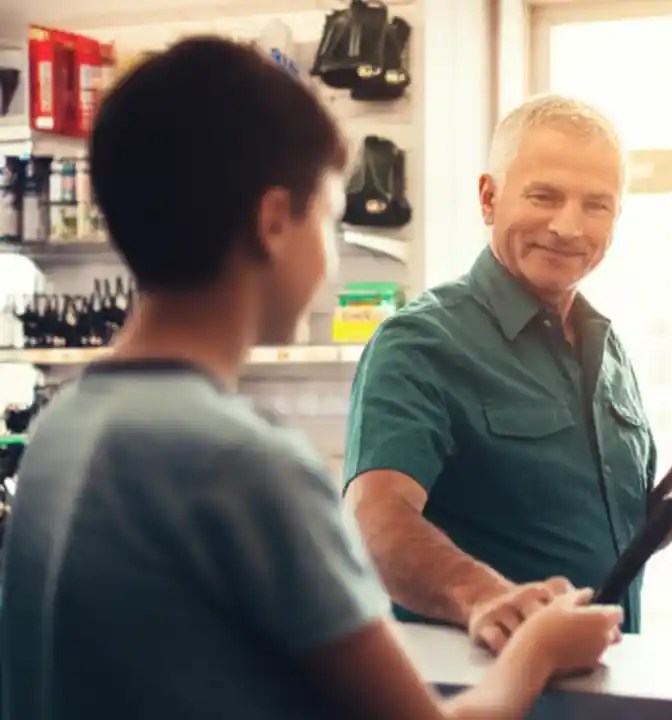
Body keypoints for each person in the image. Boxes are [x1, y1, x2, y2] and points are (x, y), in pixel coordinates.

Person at [0, 38, 621, 720]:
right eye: (328, 219)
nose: (327, 259)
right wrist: (534, 648)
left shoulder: (62, 428)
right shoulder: (242, 463)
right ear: (273, 224)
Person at [343, 93, 672, 655]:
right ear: (489, 198)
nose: (568, 226)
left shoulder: (608, 351)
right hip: (479, 695)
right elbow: (376, 519)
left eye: (596, 205)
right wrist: (483, 597)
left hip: (607, 684)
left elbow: (622, 544)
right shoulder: (419, 343)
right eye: (544, 196)